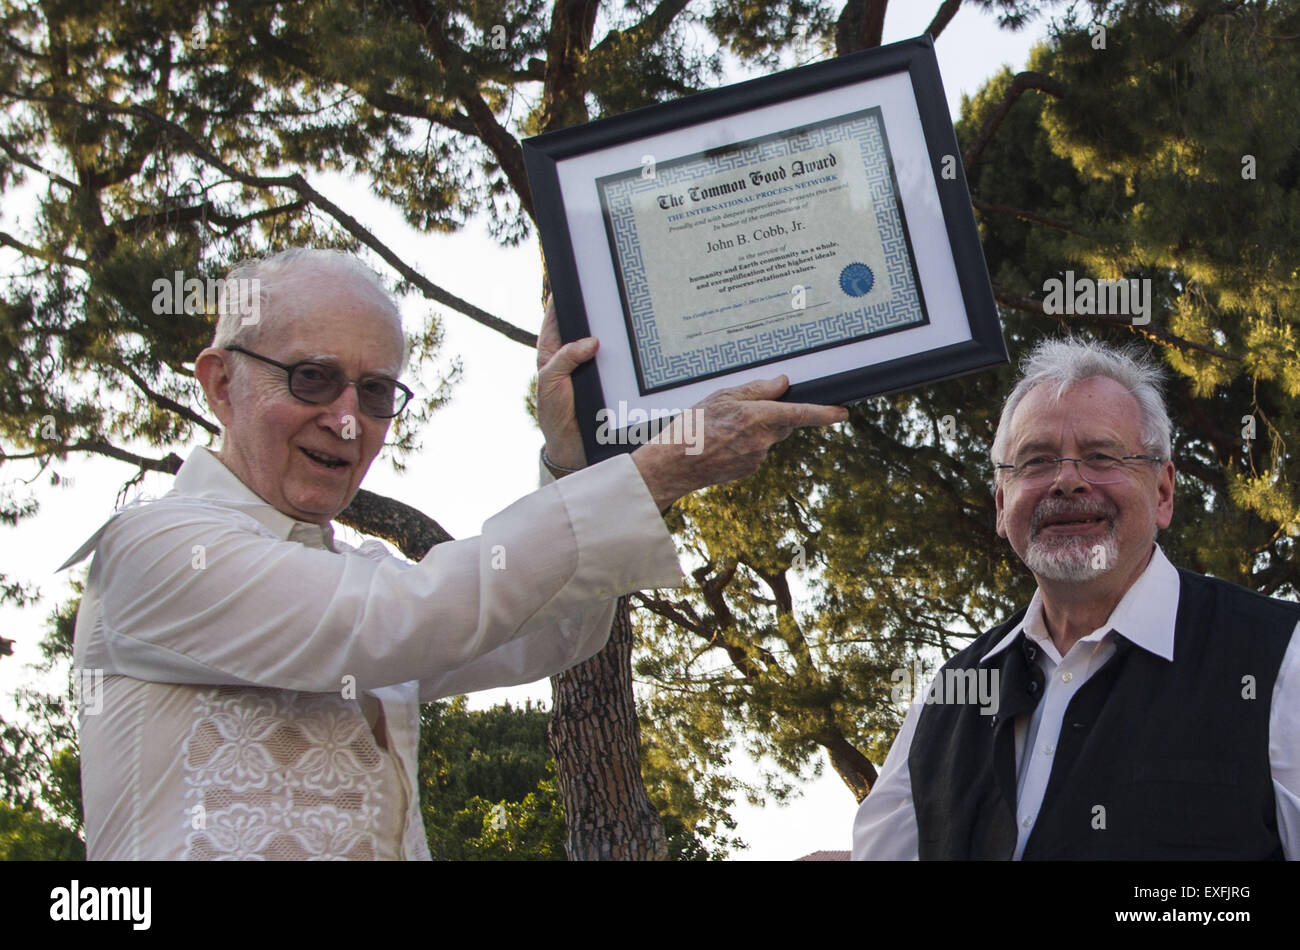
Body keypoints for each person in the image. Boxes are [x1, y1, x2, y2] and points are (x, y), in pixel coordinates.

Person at [64, 247, 847, 860]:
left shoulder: (361, 571)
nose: (347, 422)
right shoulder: (154, 548)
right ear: (219, 382)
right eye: (313, 379)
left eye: (375, 393)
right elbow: (402, 620)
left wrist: (584, 466)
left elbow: (551, 635)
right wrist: (655, 470)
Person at [852, 337, 1300, 860]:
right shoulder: (947, 696)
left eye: (1101, 455)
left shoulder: (1280, 657)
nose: (1067, 481)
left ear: (1163, 491)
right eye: (1037, 461)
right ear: (1001, 505)